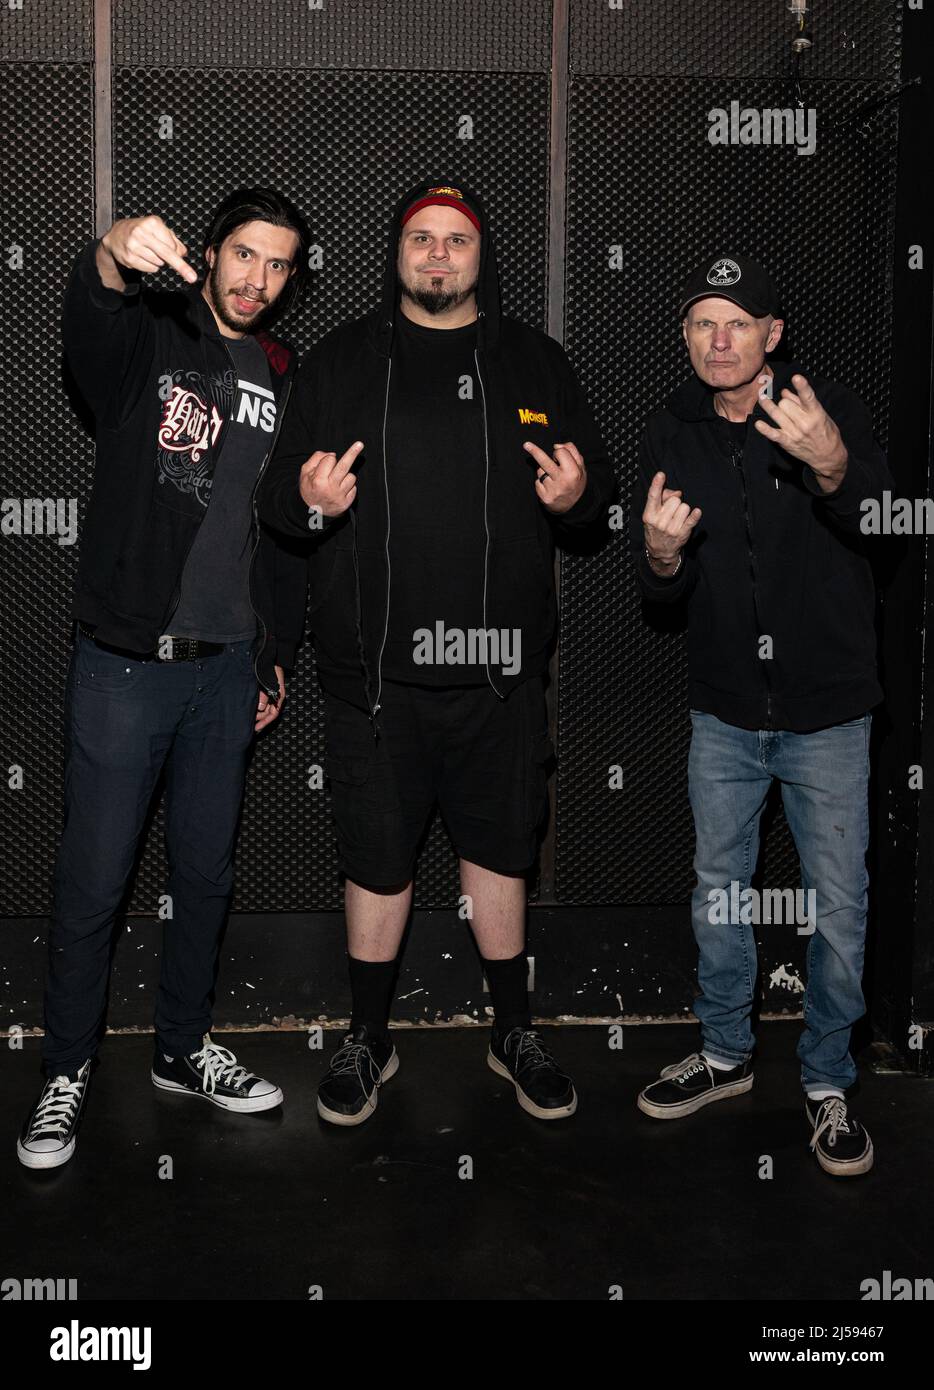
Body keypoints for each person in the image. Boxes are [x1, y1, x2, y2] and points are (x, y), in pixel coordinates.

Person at [258, 179, 614, 1125]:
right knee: (377, 862)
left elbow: (598, 497)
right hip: (375, 682)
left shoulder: (536, 362)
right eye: (422, 238)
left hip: (500, 678)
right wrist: (310, 506)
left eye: (457, 240)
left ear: (479, 254)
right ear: (398, 253)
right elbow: (275, 506)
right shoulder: (337, 362)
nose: (439, 255)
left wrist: (576, 497)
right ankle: (369, 1039)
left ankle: (513, 1031)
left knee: (501, 854)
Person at [17, 189, 311, 1170]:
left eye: (277, 266)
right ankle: (66, 1068)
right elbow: (87, 325)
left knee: (205, 875)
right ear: (210, 251)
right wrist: (107, 253)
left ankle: (182, 1050)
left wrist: (270, 653)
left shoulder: (278, 370)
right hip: (126, 667)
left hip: (225, 675)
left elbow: (271, 533)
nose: (256, 280)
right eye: (243, 255)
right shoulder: (148, 337)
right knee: (94, 881)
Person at [631, 253, 894, 1177]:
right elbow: (660, 594)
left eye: (739, 322)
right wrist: (662, 560)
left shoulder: (826, 410)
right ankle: (726, 1055)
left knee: (840, 908)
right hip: (726, 715)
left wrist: (832, 466)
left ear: (773, 335)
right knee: (721, 893)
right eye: (703, 322)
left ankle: (828, 1083)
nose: (720, 340)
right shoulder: (674, 429)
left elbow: (890, 527)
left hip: (828, 714)